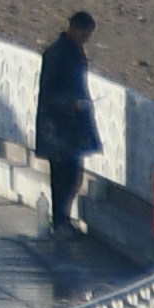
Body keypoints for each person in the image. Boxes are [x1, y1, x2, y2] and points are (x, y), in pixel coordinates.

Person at [35, 13, 102, 236]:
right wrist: (71, 103)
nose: (86, 39)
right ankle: (60, 222)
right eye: (84, 34)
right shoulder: (56, 54)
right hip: (57, 129)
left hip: (69, 128)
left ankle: (62, 220)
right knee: (63, 177)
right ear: (74, 28)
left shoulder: (73, 51)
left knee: (72, 176)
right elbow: (48, 92)